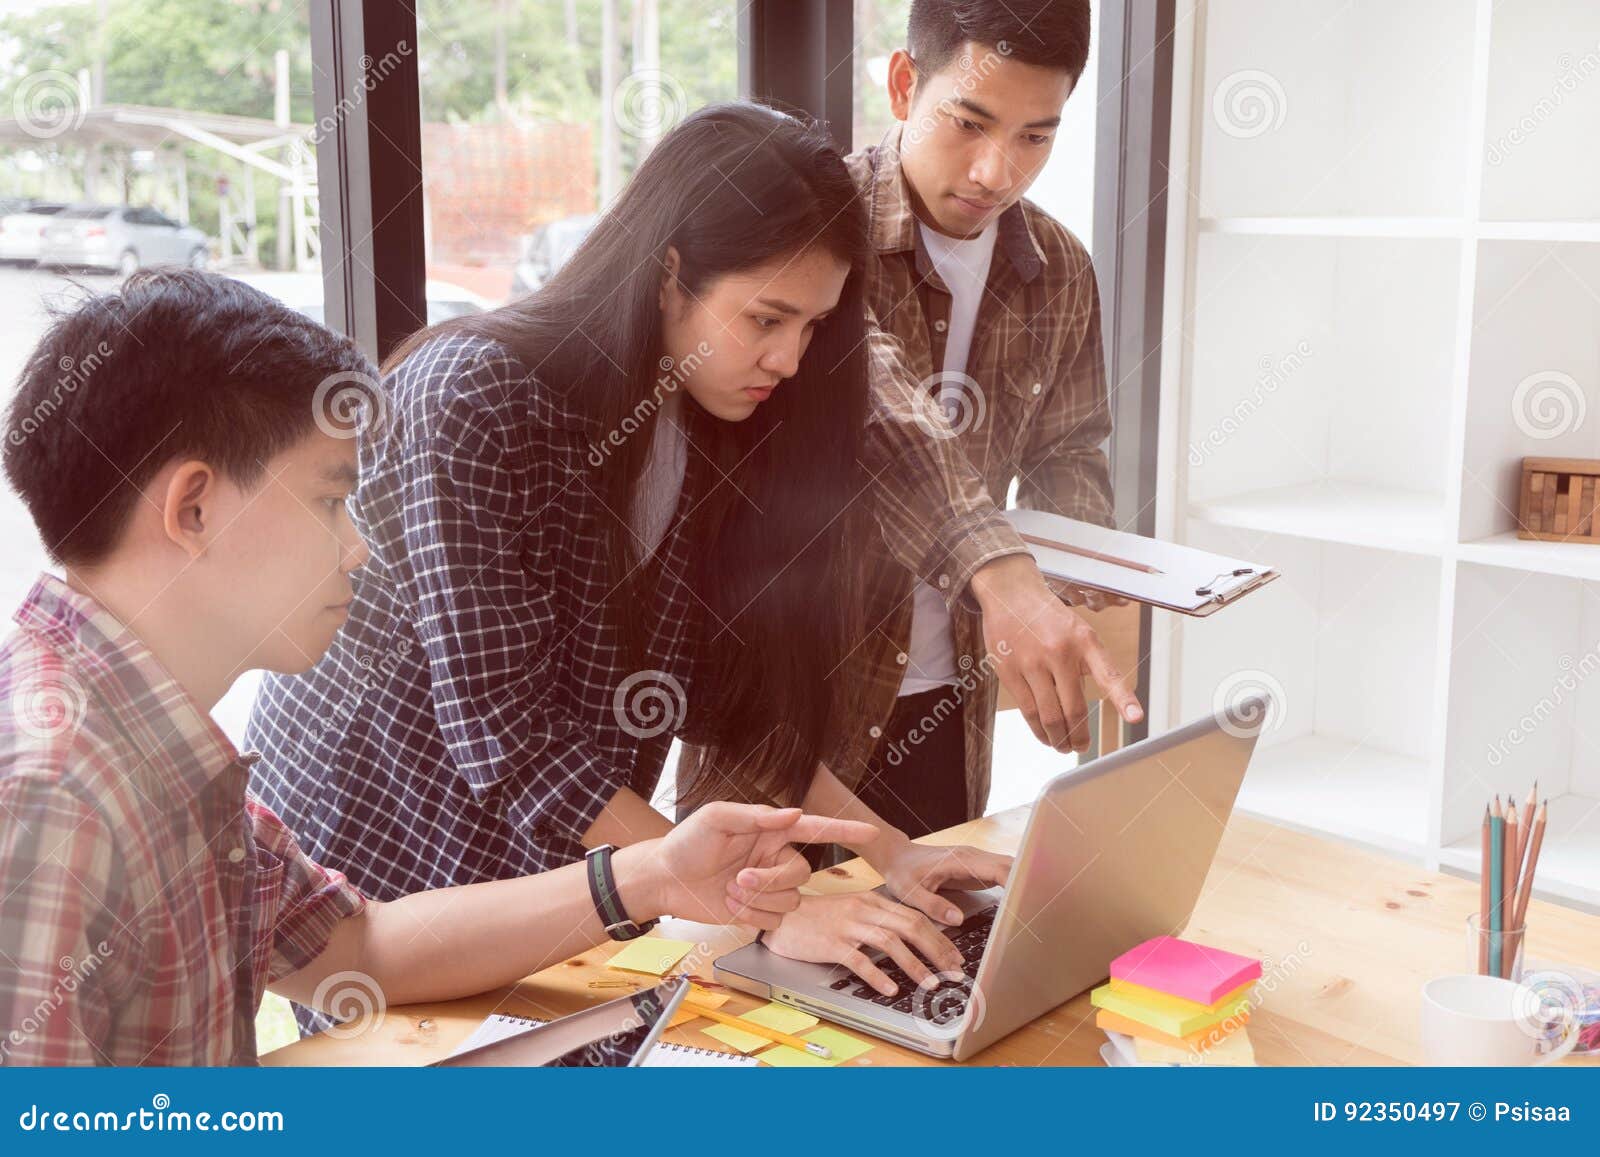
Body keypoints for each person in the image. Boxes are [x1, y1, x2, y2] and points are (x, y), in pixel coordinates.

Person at [247, 104, 1010, 1024]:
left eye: (811, 326)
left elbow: (728, 692)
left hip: (538, 875)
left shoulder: (702, 415)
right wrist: (757, 904)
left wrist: (893, 855)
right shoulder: (472, 398)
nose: (790, 358)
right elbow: (510, 739)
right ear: (668, 273)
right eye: (766, 317)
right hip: (381, 866)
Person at [0, 269, 871, 1066]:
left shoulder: (153, 741)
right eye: (330, 500)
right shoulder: (52, 789)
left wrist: (657, 873)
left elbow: (355, 948)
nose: (358, 548)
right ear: (194, 506)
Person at [822, 0, 1131, 839]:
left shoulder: (1061, 268)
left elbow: (1071, 453)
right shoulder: (816, 226)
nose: (997, 171)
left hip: (947, 707)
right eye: (970, 122)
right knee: (743, 957)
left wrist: (1082, 592)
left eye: (1037, 136)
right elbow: (884, 425)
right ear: (901, 84)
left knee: (933, 956)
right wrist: (1006, 578)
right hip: (791, 714)